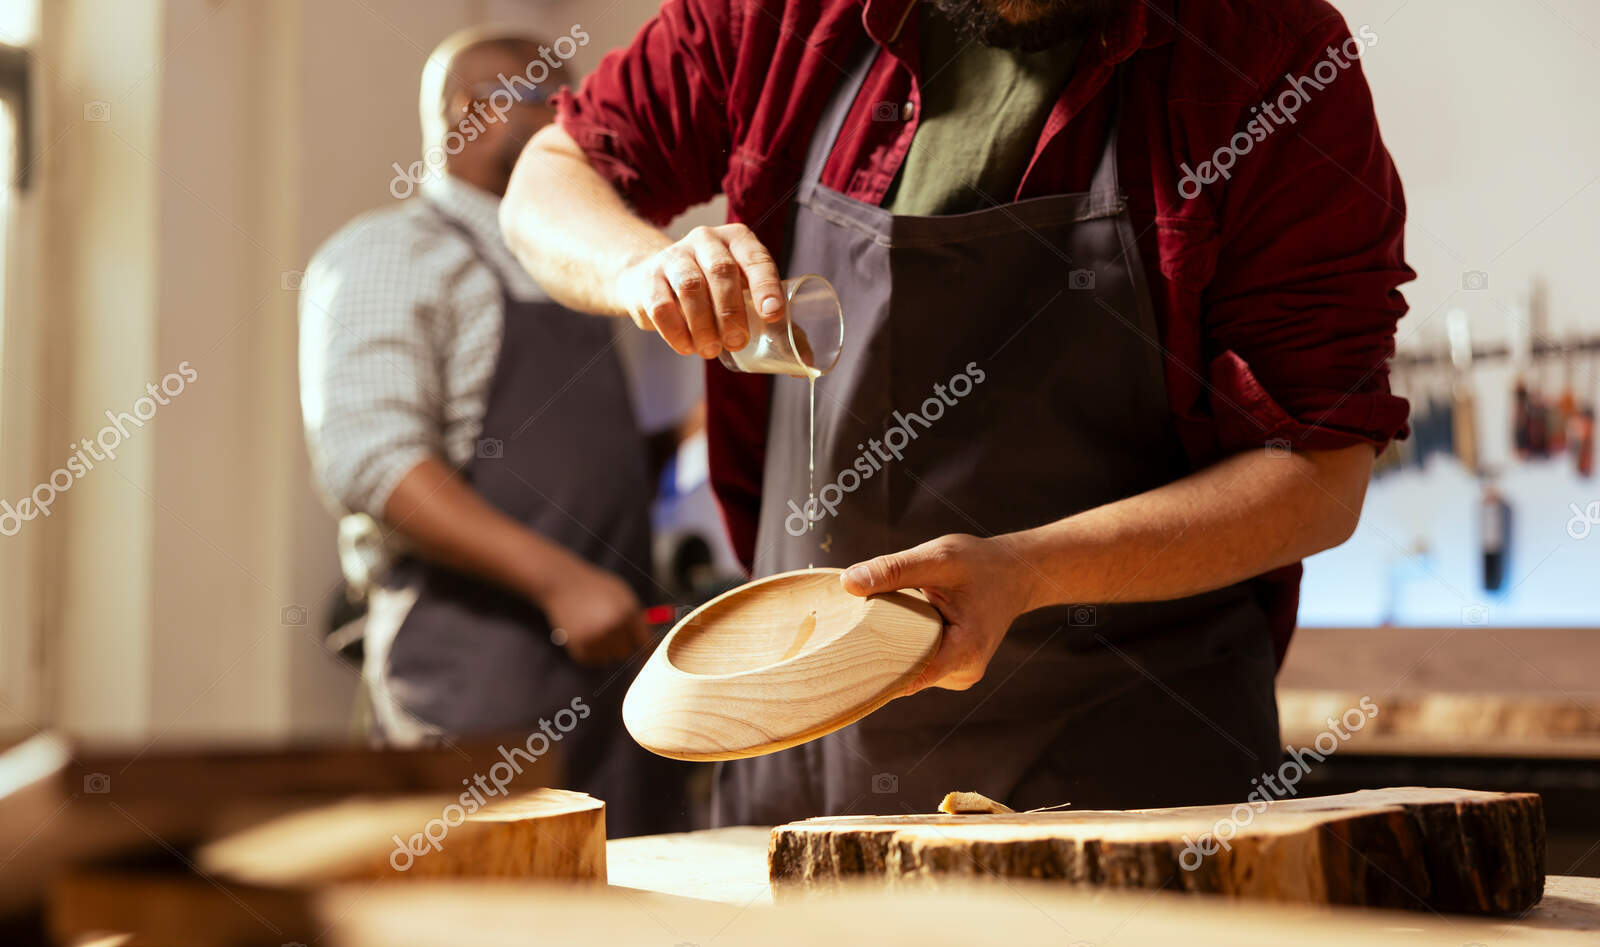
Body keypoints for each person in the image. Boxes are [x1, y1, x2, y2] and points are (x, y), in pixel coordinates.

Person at [498, 0, 1413, 823]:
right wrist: (635, 268)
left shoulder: (1269, 57)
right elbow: (553, 172)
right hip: (794, 742)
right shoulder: (779, 17)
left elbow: (1318, 474)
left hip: (1123, 774)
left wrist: (1025, 570)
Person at [299, 27, 684, 836]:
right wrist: (560, 581)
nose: (577, 127)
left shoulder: (569, 268)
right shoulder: (390, 253)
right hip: (475, 688)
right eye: (554, 104)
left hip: (616, 691)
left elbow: (574, 466)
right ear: (471, 112)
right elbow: (374, 462)